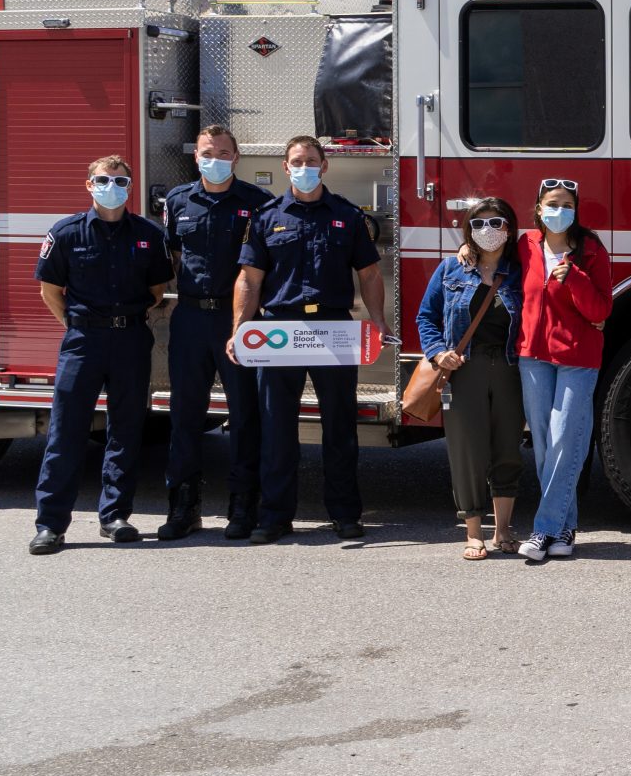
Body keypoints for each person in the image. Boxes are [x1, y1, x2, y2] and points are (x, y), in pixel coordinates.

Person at [230, 136, 386, 545]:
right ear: (285, 167)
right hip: (279, 330)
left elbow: (369, 274)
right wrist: (239, 330)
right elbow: (249, 278)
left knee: (339, 428)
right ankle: (275, 516)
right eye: (297, 161)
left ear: (325, 165)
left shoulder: (347, 215)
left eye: (312, 160)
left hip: (334, 329)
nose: (305, 167)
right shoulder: (266, 216)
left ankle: (345, 514)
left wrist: (378, 322)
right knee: (277, 429)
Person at [28, 156, 175, 554]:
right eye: (104, 179)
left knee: (125, 431)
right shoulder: (66, 233)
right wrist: (79, 326)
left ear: (131, 186)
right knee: (67, 432)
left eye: (121, 180)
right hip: (84, 343)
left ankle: (115, 517)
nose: (113, 185)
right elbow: (50, 292)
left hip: (130, 341)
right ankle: (51, 524)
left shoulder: (148, 233)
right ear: (89, 185)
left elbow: (157, 290)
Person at [161, 124, 273, 540]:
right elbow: (171, 255)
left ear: (236, 157)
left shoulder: (258, 202)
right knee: (185, 416)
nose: (216, 159)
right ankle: (183, 508)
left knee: (244, 416)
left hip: (238, 321)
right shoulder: (177, 200)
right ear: (196, 156)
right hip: (190, 318)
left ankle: (243, 506)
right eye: (208, 152)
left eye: (224, 153)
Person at [417, 199, 526, 560]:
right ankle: (474, 532)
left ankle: (504, 529)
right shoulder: (451, 268)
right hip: (465, 370)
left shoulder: (521, 270)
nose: (487, 230)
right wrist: (437, 352)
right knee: (467, 450)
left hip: (509, 368)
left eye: (496, 222)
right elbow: (425, 316)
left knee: (507, 448)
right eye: (478, 224)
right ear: (468, 230)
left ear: (509, 228)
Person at [516, 179, 614, 565]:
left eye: (567, 204)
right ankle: (566, 528)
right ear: (538, 208)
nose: (559, 210)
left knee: (564, 440)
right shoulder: (524, 245)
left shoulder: (590, 249)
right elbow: (493, 266)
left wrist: (573, 278)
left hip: (578, 357)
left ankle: (543, 530)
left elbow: (601, 311)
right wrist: (466, 250)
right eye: (552, 203)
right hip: (533, 356)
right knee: (543, 445)